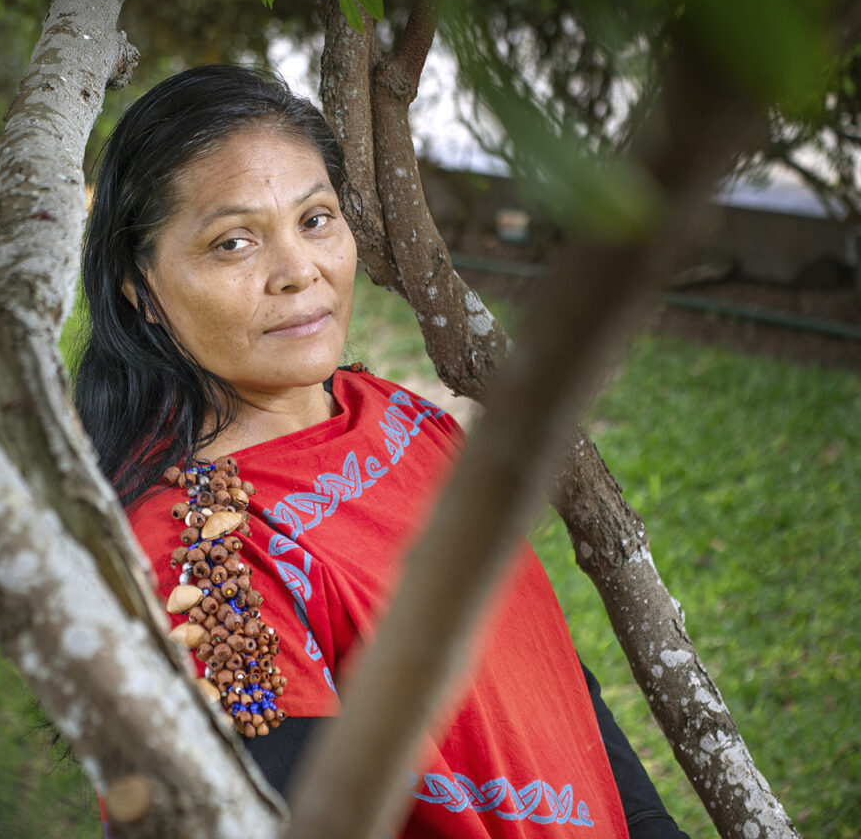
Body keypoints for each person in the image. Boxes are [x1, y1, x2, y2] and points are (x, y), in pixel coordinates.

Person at [73, 65, 686, 838]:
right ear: (140, 287)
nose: (300, 272)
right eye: (233, 242)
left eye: (316, 219)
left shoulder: (394, 416)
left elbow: (551, 675)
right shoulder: (200, 556)